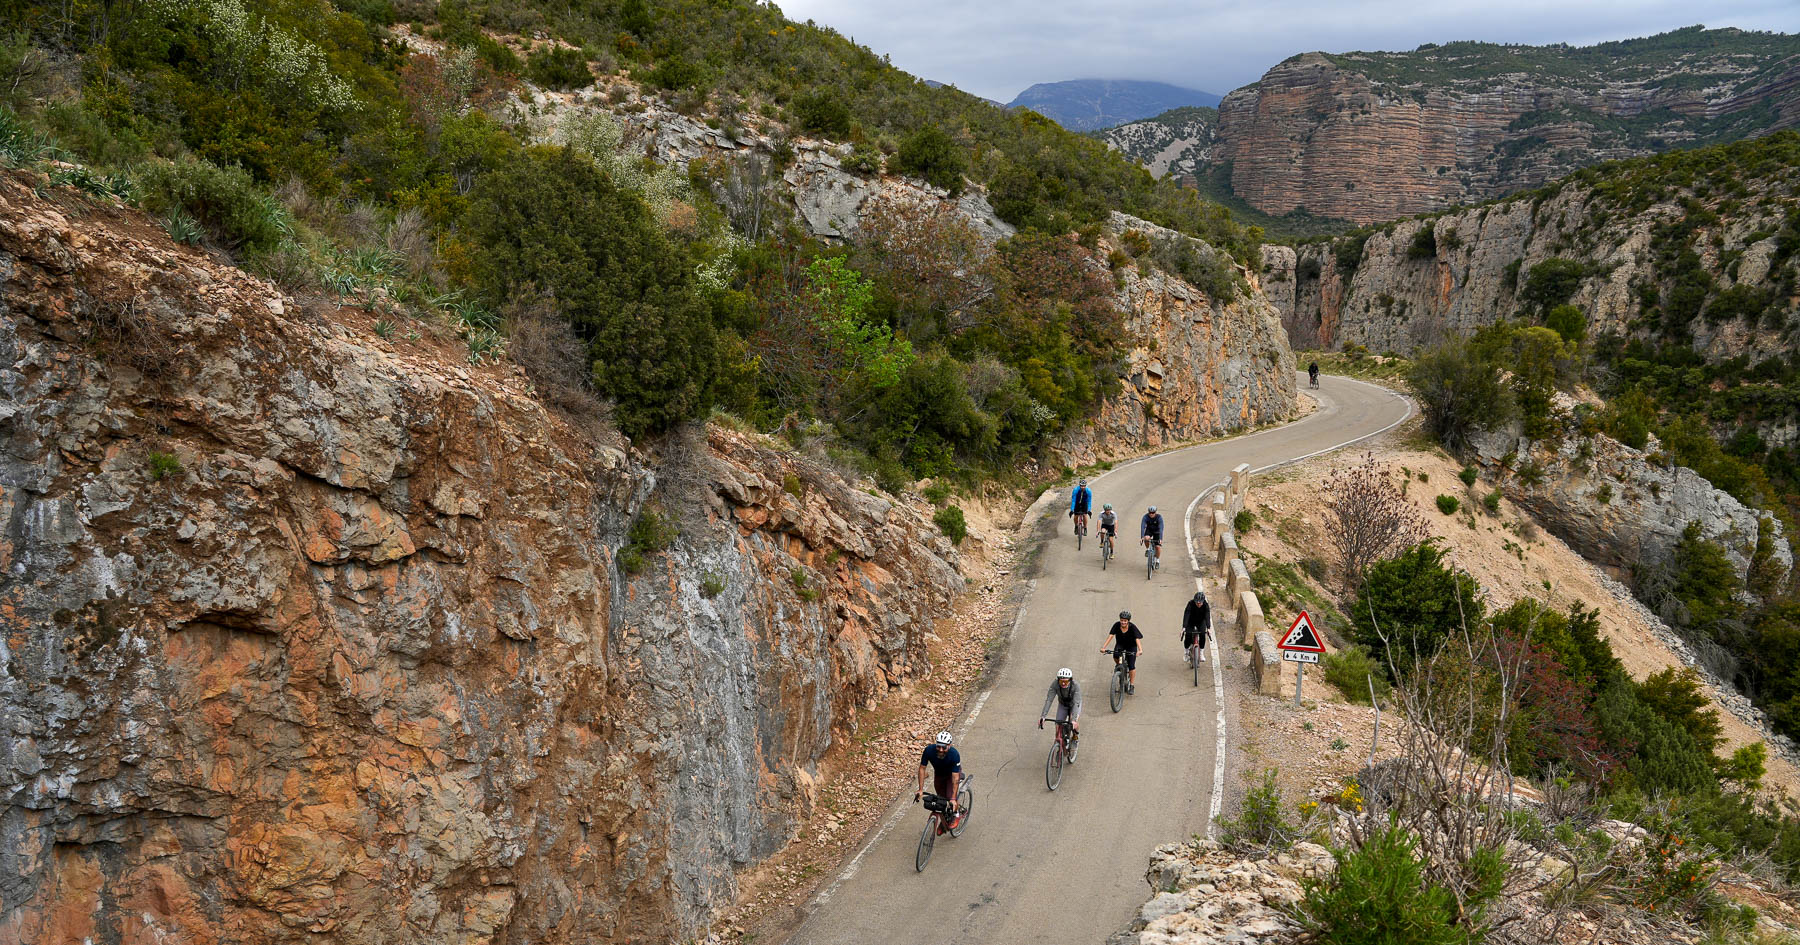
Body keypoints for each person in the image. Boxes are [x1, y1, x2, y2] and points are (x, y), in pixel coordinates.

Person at [916, 731, 964, 833]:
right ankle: (944, 821)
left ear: (949, 746)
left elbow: (955, 778)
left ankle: (956, 814)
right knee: (941, 799)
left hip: (952, 775)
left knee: (950, 796)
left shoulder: (954, 754)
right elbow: (922, 769)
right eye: (939, 746)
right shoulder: (929, 750)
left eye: (944, 747)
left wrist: (953, 798)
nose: (941, 750)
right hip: (939, 775)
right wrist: (920, 789)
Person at [1038, 667, 1082, 760]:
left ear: (1070, 680)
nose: (1063, 684)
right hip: (1063, 704)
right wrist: (1043, 716)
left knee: (1073, 722)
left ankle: (1075, 737)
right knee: (1058, 726)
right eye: (1061, 681)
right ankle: (1059, 747)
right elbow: (1049, 700)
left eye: (1065, 682)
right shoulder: (1055, 684)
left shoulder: (1076, 686)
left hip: (1074, 705)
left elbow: (1076, 703)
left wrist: (1073, 720)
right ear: (1057, 680)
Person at [1102, 610, 1144, 693]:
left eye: (1125, 621)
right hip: (1120, 644)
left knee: (1131, 665)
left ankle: (1131, 685)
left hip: (1131, 646)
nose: (1123, 622)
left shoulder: (1132, 627)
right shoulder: (1116, 625)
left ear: (1128, 621)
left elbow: (1137, 638)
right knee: (1115, 655)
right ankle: (1119, 666)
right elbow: (1111, 636)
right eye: (1121, 620)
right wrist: (1103, 647)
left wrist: (1140, 650)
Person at [1182, 590, 1212, 665]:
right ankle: (1186, 652)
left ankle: (1201, 653)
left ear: (1203, 601)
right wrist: (1184, 627)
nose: (1198, 604)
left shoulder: (1205, 605)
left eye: (1200, 603)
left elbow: (1207, 616)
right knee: (1188, 635)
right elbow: (1186, 615)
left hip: (1201, 622)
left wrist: (1208, 628)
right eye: (1197, 603)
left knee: (1202, 634)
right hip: (1190, 622)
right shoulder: (1190, 604)